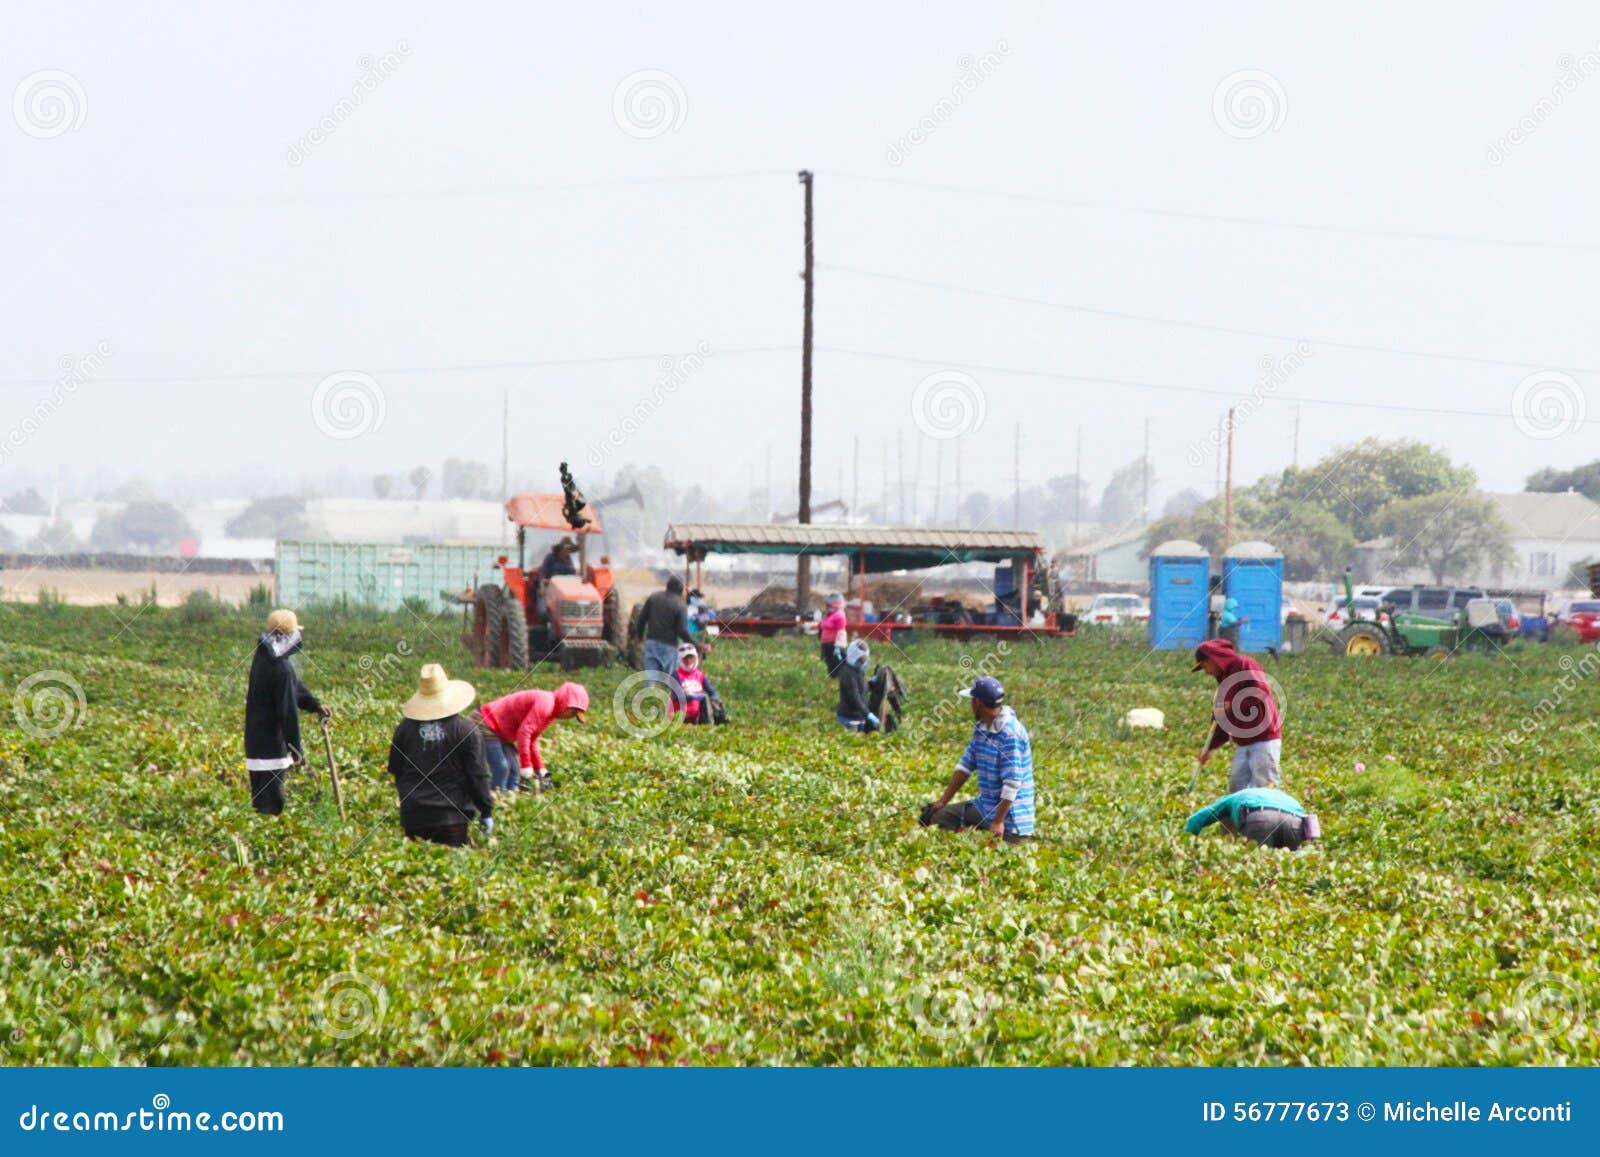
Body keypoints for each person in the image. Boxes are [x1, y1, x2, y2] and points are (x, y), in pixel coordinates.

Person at [388, 663, 493, 847]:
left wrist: (411, 801)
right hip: (452, 819)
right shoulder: (466, 730)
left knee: (414, 870)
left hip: (414, 817)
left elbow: (396, 770)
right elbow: (477, 776)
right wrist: (486, 811)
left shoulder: (405, 728)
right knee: (449, 872)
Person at [921, 676, 1035, 842]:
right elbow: (965, 766)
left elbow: (1012, 784)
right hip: (985, 807)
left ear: (978, 703)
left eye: (972, 701)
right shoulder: (982, 727)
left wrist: (998, 822)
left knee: (999, 856)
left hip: (1011, 819)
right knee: (939, 818)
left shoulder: (1011, 734)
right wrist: (942, 801)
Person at [243, 608, 329, 816]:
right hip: (271, 748)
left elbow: (294, 686)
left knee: (262, 804)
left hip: (256, 744)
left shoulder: (264, 656)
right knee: (271, 807)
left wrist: (313, 704)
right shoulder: (279, 667)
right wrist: (296, 750)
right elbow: (287, 713)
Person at [1192, 638, 1283, 790]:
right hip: (1243, 742)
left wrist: (1233, 705)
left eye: (1205, 665)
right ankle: (1243, 814)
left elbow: (1260, 693)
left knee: (1265, 786)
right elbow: (1220, 719)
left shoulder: (1245, 665)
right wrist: (1208, 748)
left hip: (1263, 738)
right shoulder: (1223, 679)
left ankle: (1271, 813)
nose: (1206, 672)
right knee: (1237, 786)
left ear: (1214, 659)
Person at [478, 682, 589, 793]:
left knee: (514, 769)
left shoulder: (552, 712)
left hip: (501, 732)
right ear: (565, 703)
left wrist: (540, 769)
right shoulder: (546, 704)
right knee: (501, 767)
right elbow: (524, 733)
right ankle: (493, 799)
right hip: (486, 721)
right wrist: (526, 764)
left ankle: (509, 800)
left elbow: (532, 740)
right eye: (572, 712)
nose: (570, 717)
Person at [1186, 786, 1309, 850]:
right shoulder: (1282, 796)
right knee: (1292, 860)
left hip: (1260, 818)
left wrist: (1187, 844)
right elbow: (1308, 822)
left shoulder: (1230, 799)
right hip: (1294, 820)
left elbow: (1195, 820)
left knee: (1260, 864)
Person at [639, 576, 694, 691]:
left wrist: (640, 638)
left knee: (650, 676)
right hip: (669, 646)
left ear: (667, 586)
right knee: (670, 681)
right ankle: (669, 704)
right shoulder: (680, 605)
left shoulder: (653, 597)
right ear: (681, 590)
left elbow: (641, 619)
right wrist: (694, 644)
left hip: (651, 643)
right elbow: (682, 630)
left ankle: (648, 700)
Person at [835, 639, 880, 732]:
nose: (864, 663)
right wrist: (868, 714)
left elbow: (862, 689)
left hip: (859, 717)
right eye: (861, 660)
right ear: (853, 658)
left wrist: (870, 683)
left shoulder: (858, 671)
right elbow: (855, 698)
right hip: (849, 719)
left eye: (864, 659)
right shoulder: (847, 674)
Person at [671, 642, 718, 724]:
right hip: (680, 718)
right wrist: (696, 697)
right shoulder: (676, 675)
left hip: (698, 717)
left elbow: (712, 692)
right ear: (680, 659)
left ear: (695, 658)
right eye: (685, 658)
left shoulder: (700, 675)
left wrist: (713, 698)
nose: (688, 661)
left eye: (691, 657)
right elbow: (676, 696)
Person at [818, 592, 847, 677]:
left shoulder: (839, 616)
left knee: (836, 665)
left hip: (835, 645)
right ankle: (831, 678)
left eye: (828, 604)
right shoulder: (829, 615)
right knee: (829, 664)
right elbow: (823, 625)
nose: (826, 605)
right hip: (827, 644)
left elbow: (841, 632)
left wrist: (838, 647)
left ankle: (838, 679)